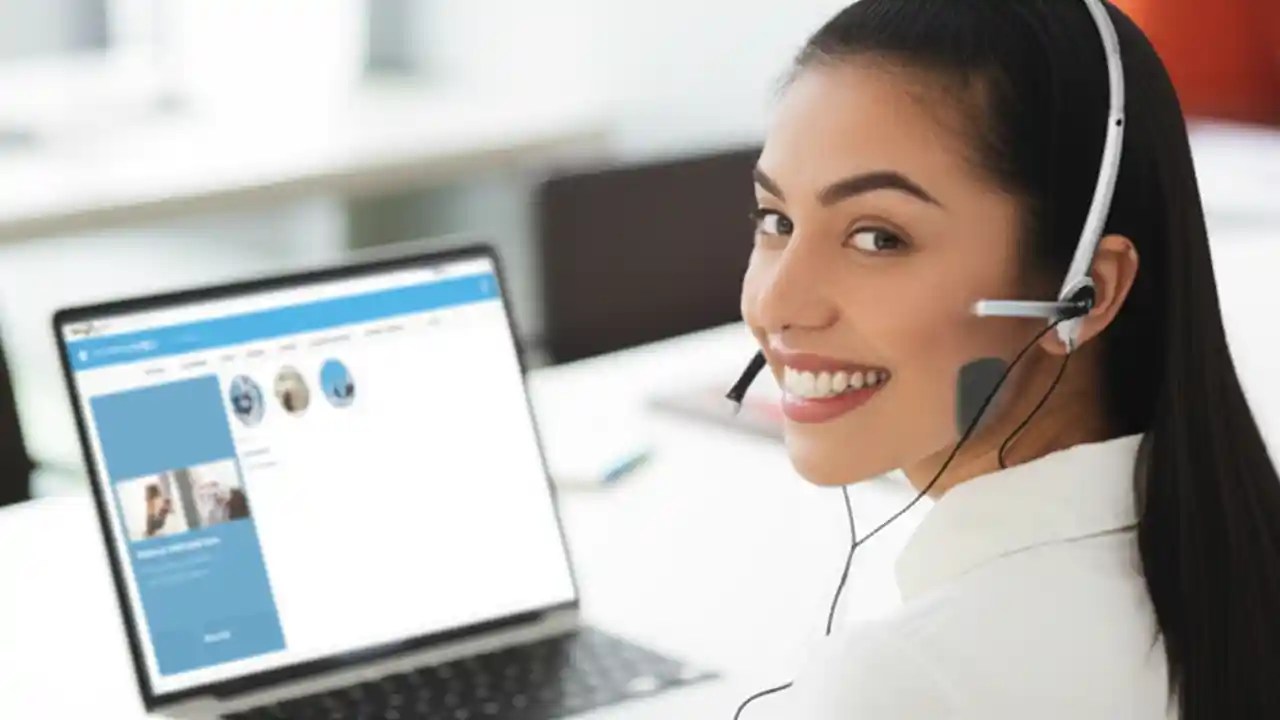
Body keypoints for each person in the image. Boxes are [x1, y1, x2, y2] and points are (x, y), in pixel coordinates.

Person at [738, 1, 1280, 717]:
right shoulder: (1233, 567)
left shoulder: (898, 685)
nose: (778, 303)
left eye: (878, 238)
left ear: (1087, 290)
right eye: (777, 222)